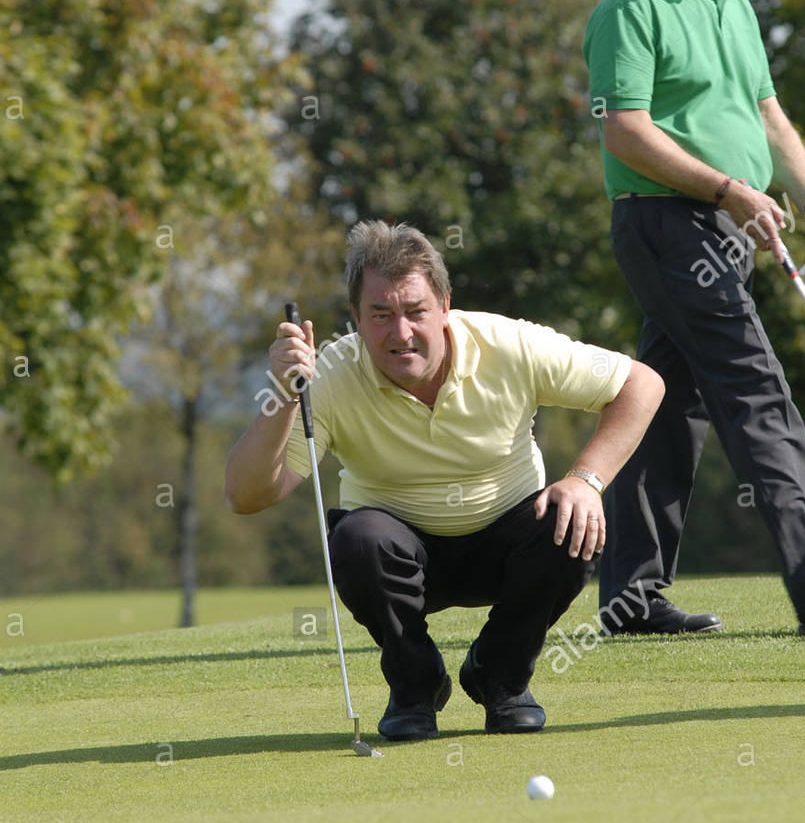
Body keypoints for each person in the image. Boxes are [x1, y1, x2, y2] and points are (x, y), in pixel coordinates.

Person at [225, 221, 664, 740]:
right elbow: (248, 494)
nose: (401, 332)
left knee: (570, 519)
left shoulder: (508, 343)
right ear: (356, 320)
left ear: (445, 306)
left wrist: (586, 478)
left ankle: (500, 676)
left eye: (416, 312)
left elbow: (642, 383)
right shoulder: (330, 376)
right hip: (400, 559)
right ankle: (415, 686)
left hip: (510, 543)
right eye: (381, 315)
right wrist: (284, 394)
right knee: (359, 539)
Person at [582, 0, 805, 637]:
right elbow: (625, 131)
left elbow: (768, 114)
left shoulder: (735, 6)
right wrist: (729, 190)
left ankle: (630, 598)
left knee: (667, 402)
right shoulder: (629, 9)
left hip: (727, 228)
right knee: (757, 391)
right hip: (669, 224)